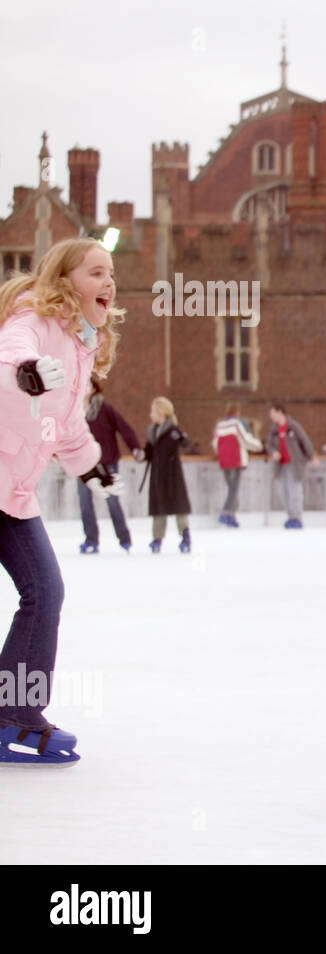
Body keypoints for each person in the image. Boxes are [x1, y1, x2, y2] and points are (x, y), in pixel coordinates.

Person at [0, 238, 125, 764]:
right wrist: (25, 375)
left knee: (45, 592)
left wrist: (91, 465)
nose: (109, 282)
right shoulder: (31, 321)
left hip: (14, 494)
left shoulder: (80, 344)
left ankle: (15, 715)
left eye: (112, 273)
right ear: (66, 278)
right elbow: (8, 362)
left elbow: (68, 426)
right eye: (97, 272)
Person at [78, 375, 142, 553]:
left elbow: (124, 428)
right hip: (84, 465)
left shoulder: (105, 409)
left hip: (107, 463)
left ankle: (124, 539)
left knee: (112, 501)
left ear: (94, 388)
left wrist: (135, 448)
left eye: (88, 384)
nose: (85, 388)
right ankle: (91, 541)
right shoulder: (75, 411)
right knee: (85, 503)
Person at [143, 397, 193, 554]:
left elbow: (185, 443)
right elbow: (148, 453)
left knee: (179, 507)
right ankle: (157, 539)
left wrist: (182, 438)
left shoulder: (172, 431)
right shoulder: (152, 432)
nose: (150, 414)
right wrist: (140, 454)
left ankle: (185, 536)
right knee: (159, 508)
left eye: (152, 411)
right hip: (158, 475)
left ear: (160, 412)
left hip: (172, 475)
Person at [265, 403, 317, 529]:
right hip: (280, 466)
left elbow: (304, 441)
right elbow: (269, 445)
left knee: (295, 491)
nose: (271, 417)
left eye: (272, 413)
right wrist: (273, 452)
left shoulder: (293, 426)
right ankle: (290, 516)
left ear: (279, 412)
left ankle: (296, 517)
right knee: (283, 492)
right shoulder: (274, 430)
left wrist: (312, 456)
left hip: (294, 465)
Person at [213, 402, 262, 528]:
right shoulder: (237, 423)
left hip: (224, 461)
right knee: (233, 490)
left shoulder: (220, 425)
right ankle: (226, 512)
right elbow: (245, 440)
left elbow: (215, 443)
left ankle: (231, 516)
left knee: (231, 488)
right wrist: (259, 446)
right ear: (238, 412)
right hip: (236, 460)